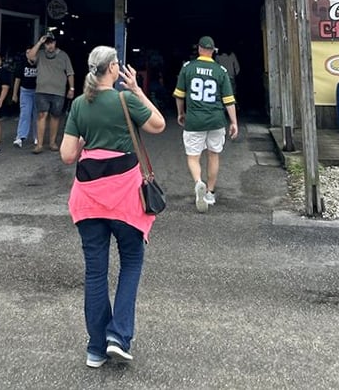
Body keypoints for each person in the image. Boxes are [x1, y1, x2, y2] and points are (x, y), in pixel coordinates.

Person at [60, 46, 165, 368]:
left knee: (95, 273)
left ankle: (95, 348)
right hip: (125, 197)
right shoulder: (125, 100)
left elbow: (67, 155)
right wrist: (136, 90)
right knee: (131, 263)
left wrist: (85, 140)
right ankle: (118, 336)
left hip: (89, 197)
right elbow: (158, 124)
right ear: (113, 68)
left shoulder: (80, 104)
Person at [174, 35, 238, 212]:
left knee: (194, 157)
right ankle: (209, 192)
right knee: (213, 155)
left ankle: (198, 183)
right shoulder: (220, 71)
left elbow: (179, 95)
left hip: (194, 120)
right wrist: (233, 122)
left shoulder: (187, 68)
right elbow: (229, 100)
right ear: (212, 51)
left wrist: (181, 113)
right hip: (216, 120)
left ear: (199, 49)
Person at [27, 32, 74, 153]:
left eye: (51, 43)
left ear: (55, 43)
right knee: (42, 115)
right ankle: (39, 145)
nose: (50, 46)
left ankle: (52, 143)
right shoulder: (41, 54)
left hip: (58, 91)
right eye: (47, 43)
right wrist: (39, 42)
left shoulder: (64, 55)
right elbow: (30, 56)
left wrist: (71, 88)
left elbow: (70, 73)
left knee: (55, 116)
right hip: (42, 90)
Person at [12, 49, 38, 148]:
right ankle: (20, 137)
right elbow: (17, 79)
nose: (29, 54)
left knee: (37, 114)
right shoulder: (22, 64)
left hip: (38, 91)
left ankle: (37, 136)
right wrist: (15, 94)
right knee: (25, 113)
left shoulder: (40, 63)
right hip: (25, 91)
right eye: (27, 52)